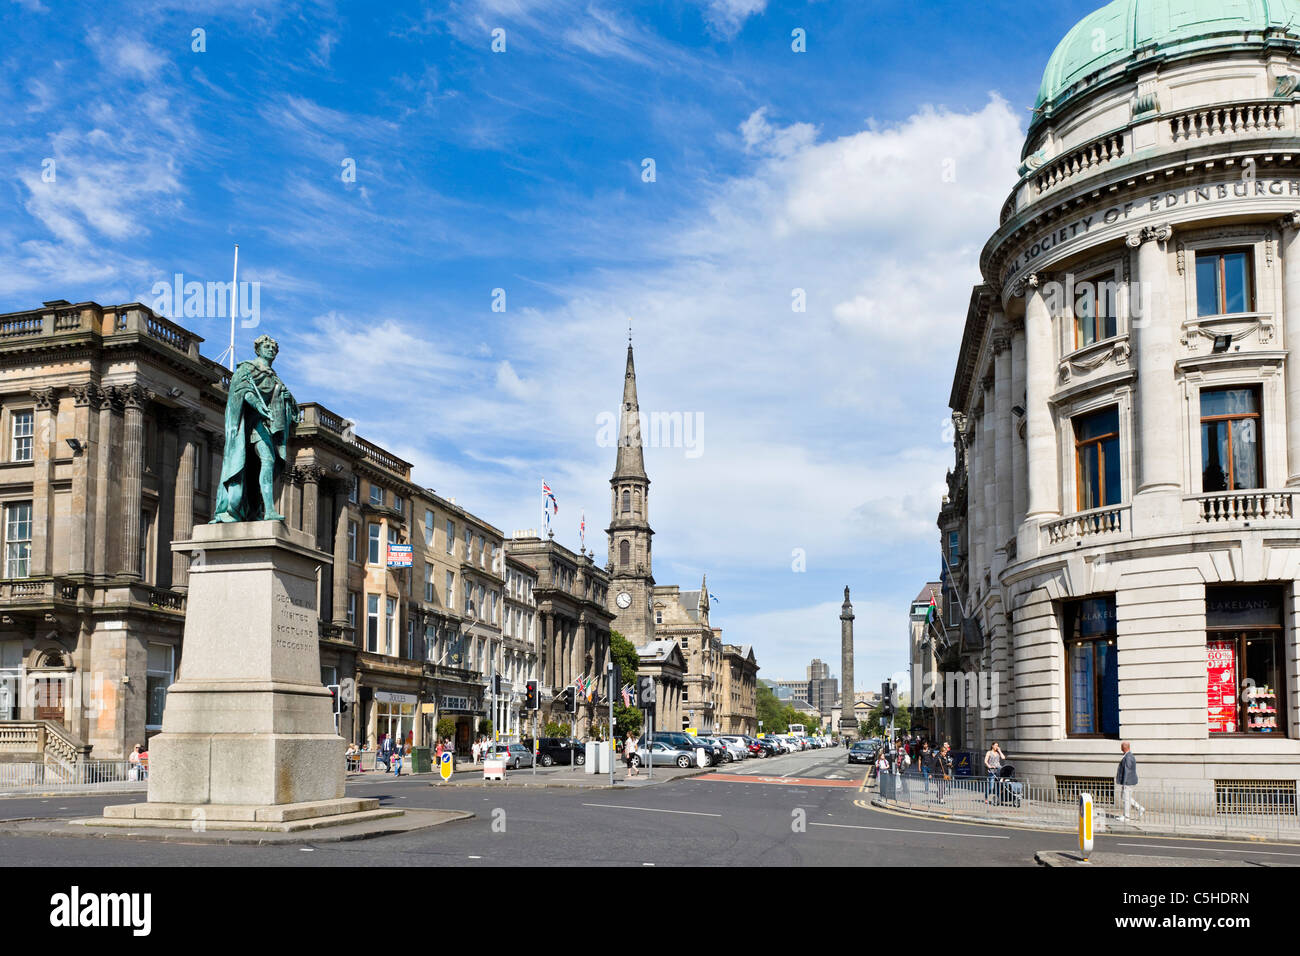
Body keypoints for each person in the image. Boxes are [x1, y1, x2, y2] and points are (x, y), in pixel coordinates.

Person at [1116, 741, 1145, 821]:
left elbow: (1127, 770)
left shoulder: (1128, 757)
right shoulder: (1128, 755)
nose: (1121, 748)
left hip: (1128, 782)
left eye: (1121, 746)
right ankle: (1140, 808)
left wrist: (1125, 783)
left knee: (1126, 799)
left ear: (1124, 747)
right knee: (1125, 797)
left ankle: (1126, 816)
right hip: (1129, 781)